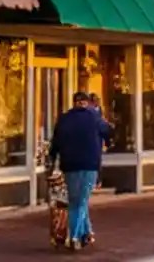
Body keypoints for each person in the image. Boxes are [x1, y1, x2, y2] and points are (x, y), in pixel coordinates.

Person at [47, 91, 110, 250]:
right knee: (80, 201)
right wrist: (107, 143)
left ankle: (86, 233)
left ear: (74, 102)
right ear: (87, 103)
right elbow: (109, 131)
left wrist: (52, 160)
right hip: (90, 165)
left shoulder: (64, 119)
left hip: (70, 165)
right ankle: (74, 236)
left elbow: (55, 143)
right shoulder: (94, 117)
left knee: (77, 200)